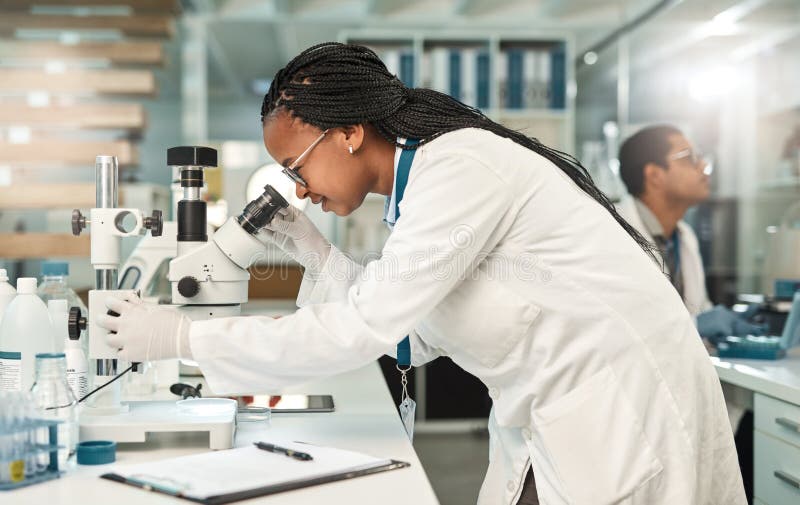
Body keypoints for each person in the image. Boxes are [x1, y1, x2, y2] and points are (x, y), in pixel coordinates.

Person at [99, 43, 745, 505]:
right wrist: (316, 253)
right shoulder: (420, 192)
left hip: (625, 414)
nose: (299, 189)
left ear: (349, 132)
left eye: (297, 167)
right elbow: (414, 333)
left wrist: (181, 338)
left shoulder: (460, 169)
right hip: (560, 417)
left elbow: (364, 327)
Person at [616, 125, 763, 342]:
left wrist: (728, 321)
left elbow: (697, 311)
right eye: (689, 159)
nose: (703, 166)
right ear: (654, 175)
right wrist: (698, 325)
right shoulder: (614, 234)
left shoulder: (684, 237)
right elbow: (622, 328)